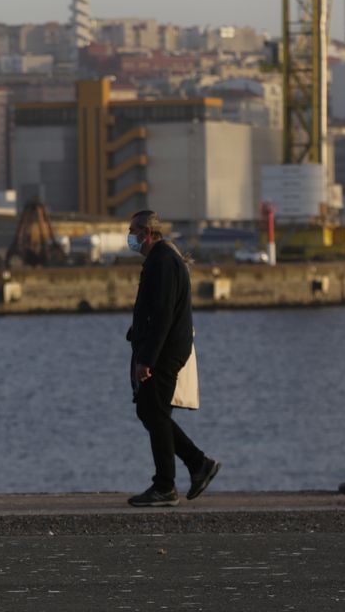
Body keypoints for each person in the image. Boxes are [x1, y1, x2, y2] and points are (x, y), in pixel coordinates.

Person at [125, 210, 221, 507]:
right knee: (150, 411)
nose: (130, 238)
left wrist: (148, 360)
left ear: (147, 232)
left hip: (165, 351)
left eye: (132, 232)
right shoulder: (161, 259)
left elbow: (163, 315)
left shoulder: (163, 261)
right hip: (163, 349)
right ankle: (197, 464)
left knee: (153, 411)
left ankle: (167, 484)